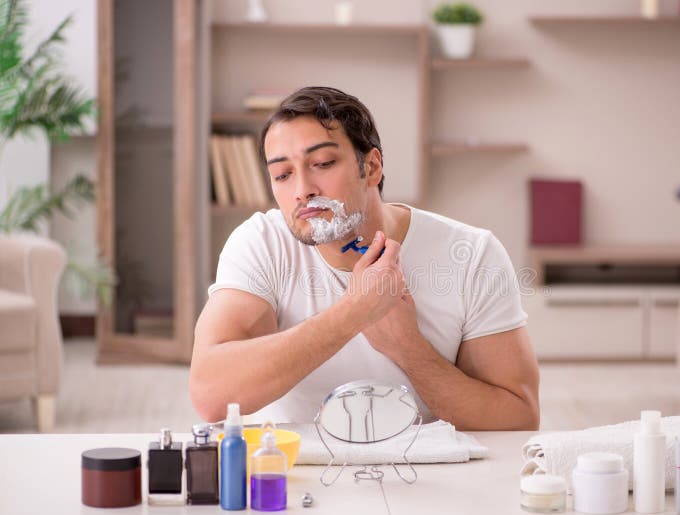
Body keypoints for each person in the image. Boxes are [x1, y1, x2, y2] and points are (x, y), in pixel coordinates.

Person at [190, 86, 540, 430]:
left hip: (430, 475)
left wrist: (407, 347)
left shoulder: (471, 255)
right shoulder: (261, 244)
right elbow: (210, 395)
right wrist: (355, 311)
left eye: (323, 163)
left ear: (371, 167)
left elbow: (518, 417)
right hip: (299, 474)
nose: (302, 190)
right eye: (282, 174)